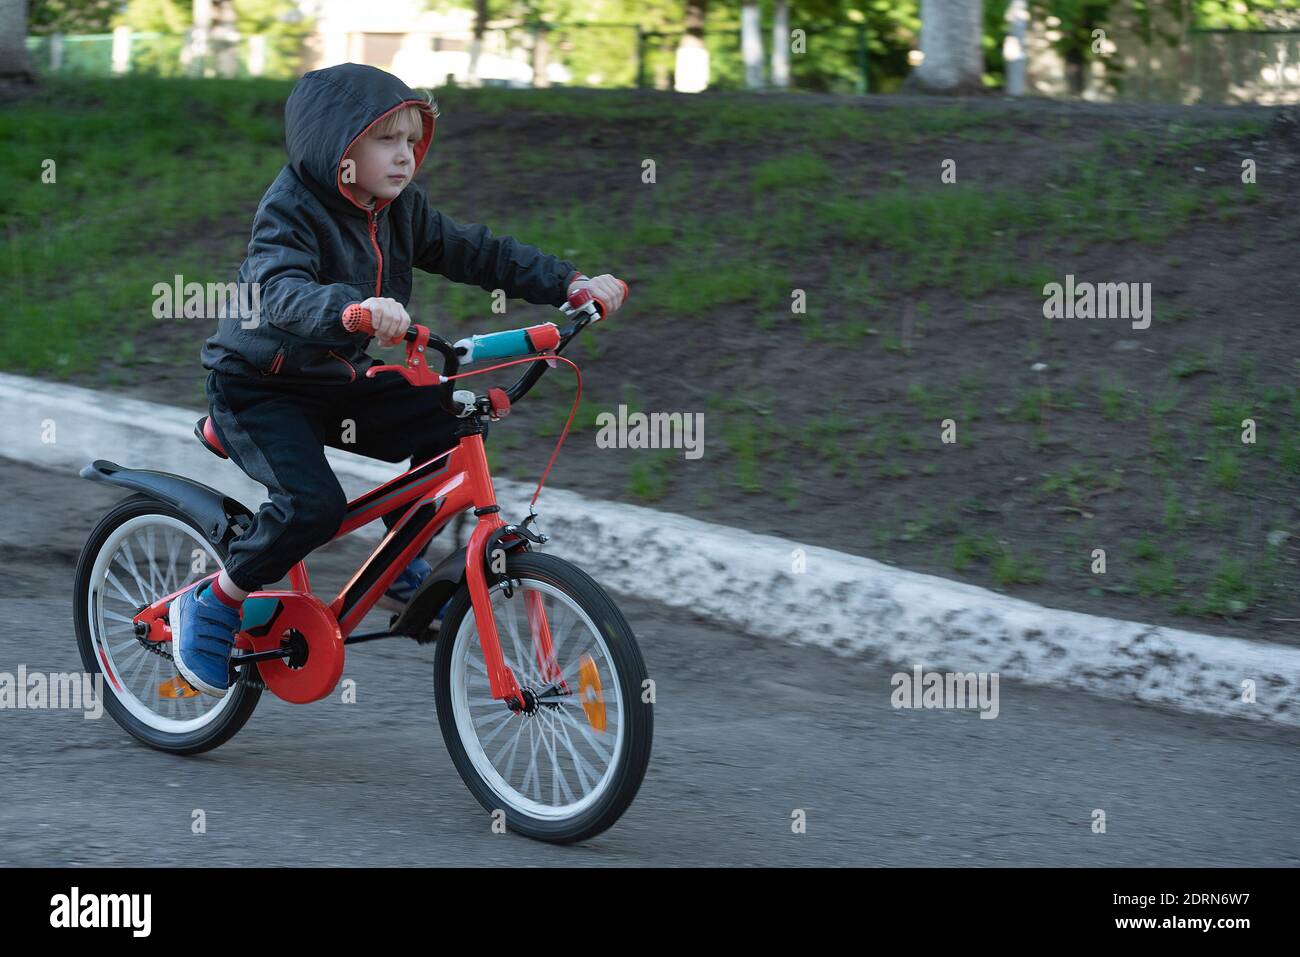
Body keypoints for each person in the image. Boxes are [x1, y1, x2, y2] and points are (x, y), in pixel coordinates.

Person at [172, 62, 627, 697]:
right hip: (259, 385)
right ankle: (215, 602)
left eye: (413, 141)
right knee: (313, 507)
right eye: (387, 140)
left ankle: (402, 558)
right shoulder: (290, 210)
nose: (406, 156)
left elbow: (477, 251)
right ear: (338, 146)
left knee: (455, 413)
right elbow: (277, 290)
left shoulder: (399, 210)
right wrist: (348, 310)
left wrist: (569, 284)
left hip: (338, 379)